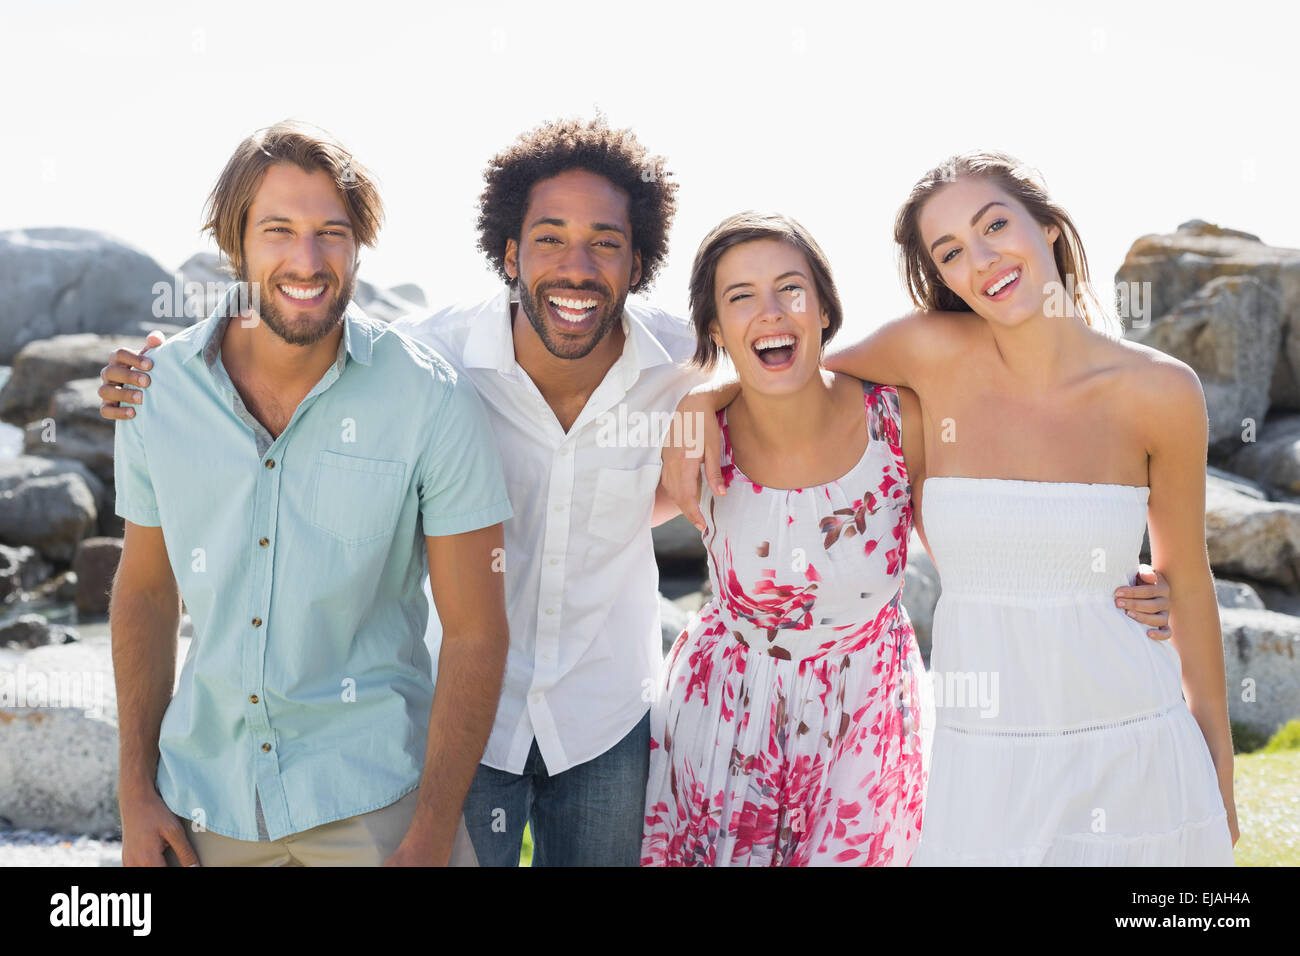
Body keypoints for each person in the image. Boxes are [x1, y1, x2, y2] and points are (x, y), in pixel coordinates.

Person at [100, 117, 706, 866]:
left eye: (605, 242)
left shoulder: (685, 363)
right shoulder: (439, 358)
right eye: (549, 237)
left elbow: (794, 390)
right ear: (510, 253)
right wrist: (167, 371)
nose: (576, 266)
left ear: (639, 259)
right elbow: (306, 326)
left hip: (605, 712)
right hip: (463, 728)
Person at [664, 152, 1236, 865]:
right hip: (981, 762)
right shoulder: (926, 353)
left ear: (1050, 228)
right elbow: (787, 367)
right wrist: (701, 400)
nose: (983, 258)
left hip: (1134, 740)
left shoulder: (1162, 391)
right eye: (951, 252)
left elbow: (1189, 580)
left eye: (996, 224)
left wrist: (1218, 758)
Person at [109, 121, 512, 866]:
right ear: (237, 243)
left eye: (332, 232)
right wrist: (135, 791)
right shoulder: (156, 394)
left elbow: (477, 632)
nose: (307, 259)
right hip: (207, 803)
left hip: (378, 803)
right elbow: (145, 592)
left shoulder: (429, 399)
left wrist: (430, 832)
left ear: (359, 242)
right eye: (278, 231)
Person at [641, 213, 928, 866]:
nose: (769, 312)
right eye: (740, 296)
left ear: (825, 307)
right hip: (723, 720)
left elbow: (971, 546)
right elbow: (606, 526)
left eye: (790, 289)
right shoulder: (700, 437)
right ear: (715, 329)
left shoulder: (897, 419)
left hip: (866, 719)